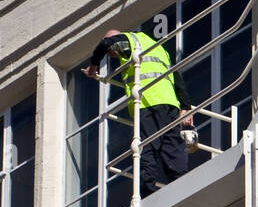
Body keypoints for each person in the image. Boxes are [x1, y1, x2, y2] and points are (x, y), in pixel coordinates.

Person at [81, 28, 195, 197]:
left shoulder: (128, 42)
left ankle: (147, 194)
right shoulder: (158, 48)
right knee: (173, 151)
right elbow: (176, 77)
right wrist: (185, 107)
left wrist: (93, 66)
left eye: (112, 54)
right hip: (170, 105)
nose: (113, 56)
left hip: (147, 104)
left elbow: (105, 44)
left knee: (146, 148)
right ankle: (183, 189)